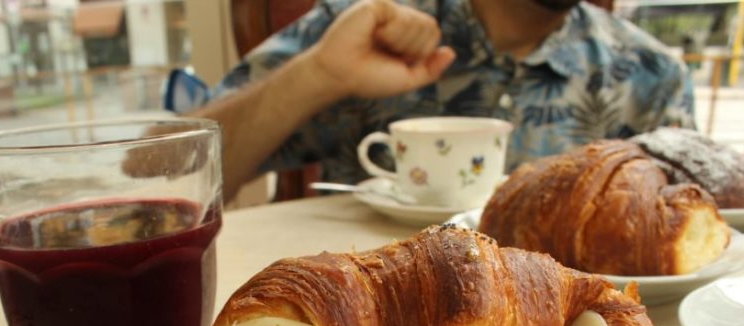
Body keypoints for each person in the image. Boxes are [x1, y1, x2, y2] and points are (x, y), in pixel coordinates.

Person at [192, 0, 696, 201]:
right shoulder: (369, 23)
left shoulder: (653, 76)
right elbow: (165, 178)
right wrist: (320, 73)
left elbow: (691, 238)